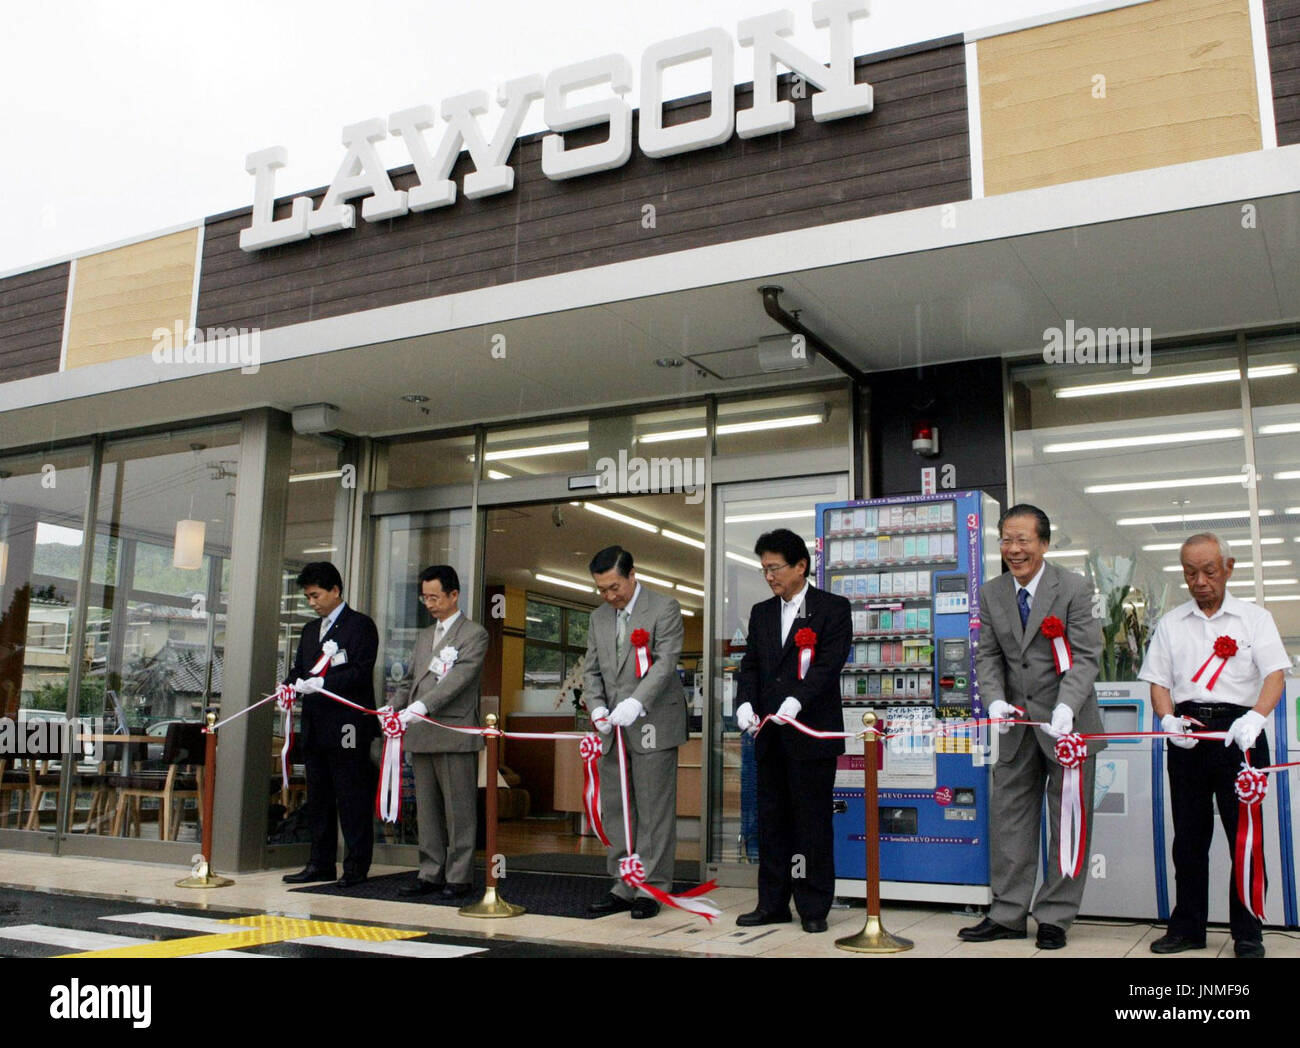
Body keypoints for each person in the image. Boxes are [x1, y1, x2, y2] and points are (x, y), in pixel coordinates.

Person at [959, 504, 1102, 949]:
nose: (1013, 549)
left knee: (1068, 821)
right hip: (1016, 727)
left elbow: (1085, 656)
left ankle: (1056, 916)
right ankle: (1007, 913)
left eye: (1023, 540)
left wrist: (1065, 707)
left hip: (1067, 727)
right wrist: (995, 698)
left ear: (1043, 542)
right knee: (1010, 822)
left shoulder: (1074, 588)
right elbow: (988, 655)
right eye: (1006, 540)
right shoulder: (992, 591)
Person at [1140, 533, 1289, 958]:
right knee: (1188, 837)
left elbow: (1274, 675)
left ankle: (1247, 932)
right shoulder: (1171, 623)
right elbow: (1159, 682)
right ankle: (1187, 927)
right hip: (1187, 735)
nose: (1200, 581)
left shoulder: (1253, 619)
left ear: (1228, 567)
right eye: (1191, 573)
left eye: (1209, 570)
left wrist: (1256, 718)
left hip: (1239, 736)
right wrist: (1167, 719)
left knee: (1245, 836)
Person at [733, 528, 851, 934]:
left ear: (801, 566)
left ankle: (814, 905)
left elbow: (827, 665)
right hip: (769, 736)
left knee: (811, 823)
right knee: (772, 821)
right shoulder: (762, 612)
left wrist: (796, 701)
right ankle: (772, 903)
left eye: (775, 568)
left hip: (811, 734)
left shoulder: (833, 608)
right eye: (764, 568)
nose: (769, 576)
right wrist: (744, 704)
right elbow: (750, 665)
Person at [582, 545, 686, 919]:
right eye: (602, 589)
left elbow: (664, 664)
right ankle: (623, 883)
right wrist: (595, 706)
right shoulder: (598, 618)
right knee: (618, 808)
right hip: (612, 728)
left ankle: (652, 887)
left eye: (614, 587)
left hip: (652, 723)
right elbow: (591, 670)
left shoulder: (664, 608)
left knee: (653, 808)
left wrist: (635, 703)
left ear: (632, 575)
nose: (609, 596)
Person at [389, 565, 489, 899]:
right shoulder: (422, 636)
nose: (429, 604)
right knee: (427, 810)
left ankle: (459, 875)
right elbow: (409, 681)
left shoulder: (474, 634)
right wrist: (393, 707)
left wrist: (422, 707)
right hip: (420, 733)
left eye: (435, 597)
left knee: (459, 810)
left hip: (453, 730)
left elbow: (459, 681)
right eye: (425, 597)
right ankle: (430, 871)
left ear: (454, 595)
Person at [281, 562, 379, 888]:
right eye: (308, 597)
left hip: (348, 726)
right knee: (319, 799)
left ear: (335, 590)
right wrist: (290, 685)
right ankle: (319, 863)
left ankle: (355, 865)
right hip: (314, 725)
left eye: (316, 595)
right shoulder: (310, 630)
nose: (312, 602)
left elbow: (361, 671)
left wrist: (322, 682)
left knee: (352, 796)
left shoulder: (360, 626)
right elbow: (299, 669)